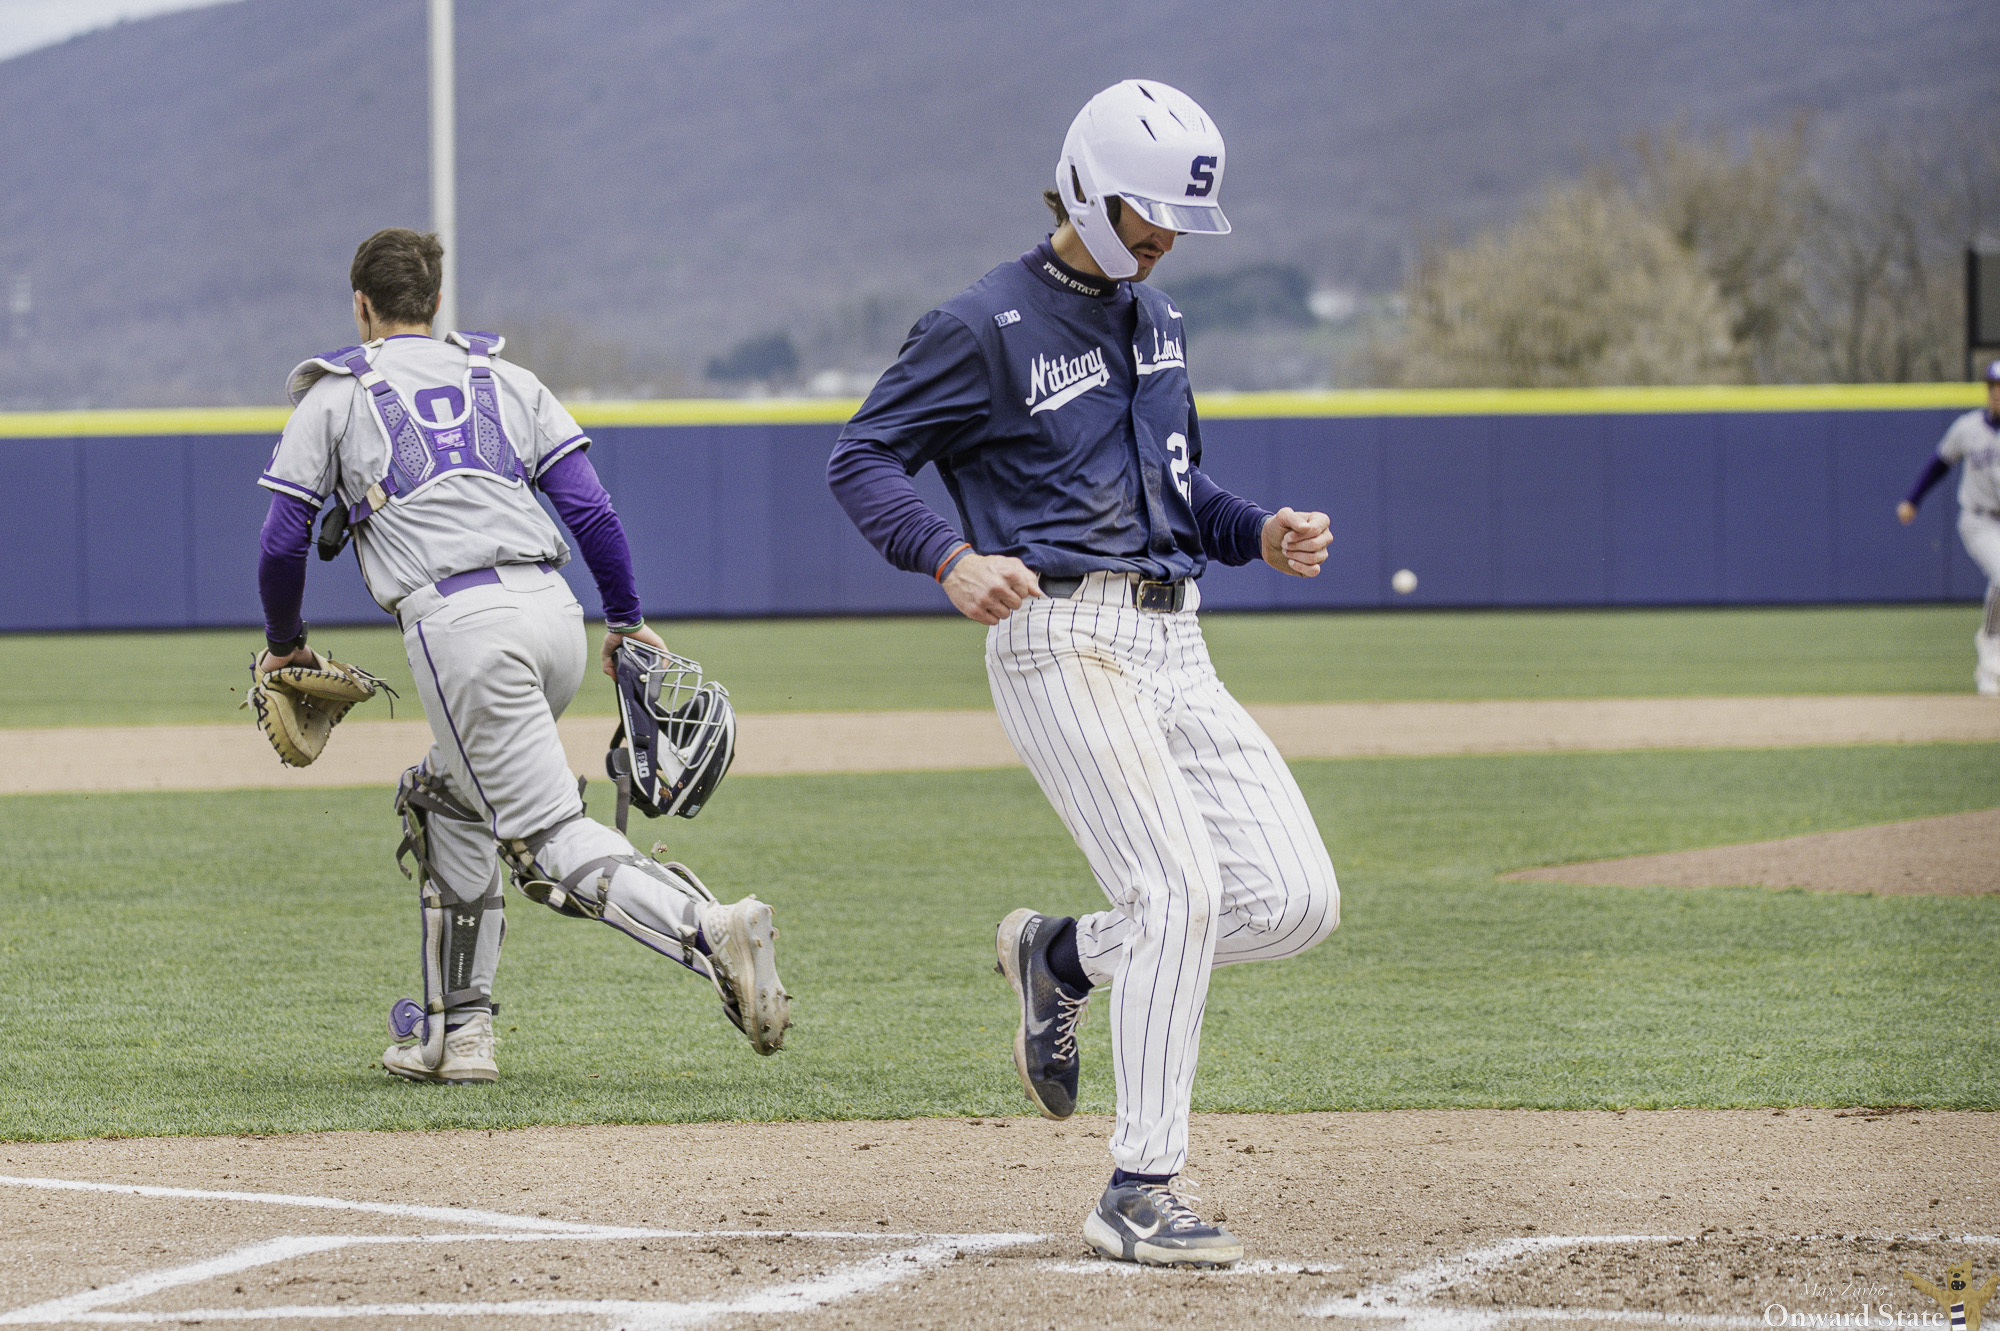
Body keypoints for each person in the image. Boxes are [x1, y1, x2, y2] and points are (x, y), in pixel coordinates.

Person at [827, 82, 1339, 1267]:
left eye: (1172, 219)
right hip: (1059, 634)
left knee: (1292, 900)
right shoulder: (981, 323)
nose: (1159, 237)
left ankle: (1058, 955)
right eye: (1142, 211)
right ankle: (1138, 1185)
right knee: (1178, 895)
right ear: (1082, 184)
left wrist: (1257, 531)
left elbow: (1177, 490)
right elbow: (862, 458)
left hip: (1175, 636)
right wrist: (946, 555)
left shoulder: (1154, 319)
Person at [256, 227, 789, 1084]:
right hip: (553, 615)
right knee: (447, 798)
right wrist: (626, 619)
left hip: (461, 629)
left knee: (547, 844)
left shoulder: (335, 394)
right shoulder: (502, 375)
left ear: (361, 306)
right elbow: (592, 509)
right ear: (434, 304)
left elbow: (283, 542)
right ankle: (457, 1035)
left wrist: (284, 644)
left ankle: (708, 929)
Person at [1898, 360, 2000, 697]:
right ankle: (1990, 649)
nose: (1997, 393)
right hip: (1979, 519)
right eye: (1993, 387)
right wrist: (1913, 499)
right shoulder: (1968, 428)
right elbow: (1939, 464)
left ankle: (1990, 653)